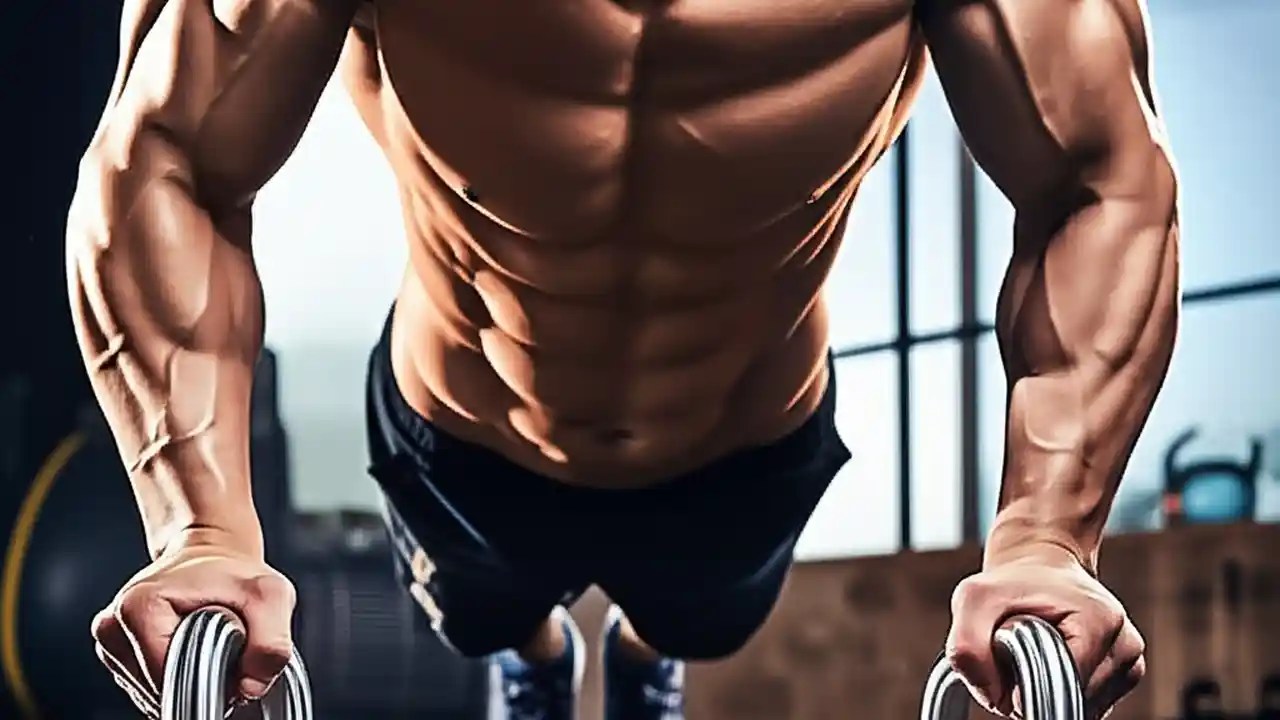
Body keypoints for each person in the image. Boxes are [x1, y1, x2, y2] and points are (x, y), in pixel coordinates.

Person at [66, 0, 1179, 717]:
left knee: (693, 625)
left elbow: (1097, 181)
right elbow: (166, 160)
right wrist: (200, 528)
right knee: (491, 618)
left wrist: (1045, 540)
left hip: (739, 444)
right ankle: (537, 658)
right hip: (468, 423)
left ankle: (643, 662)